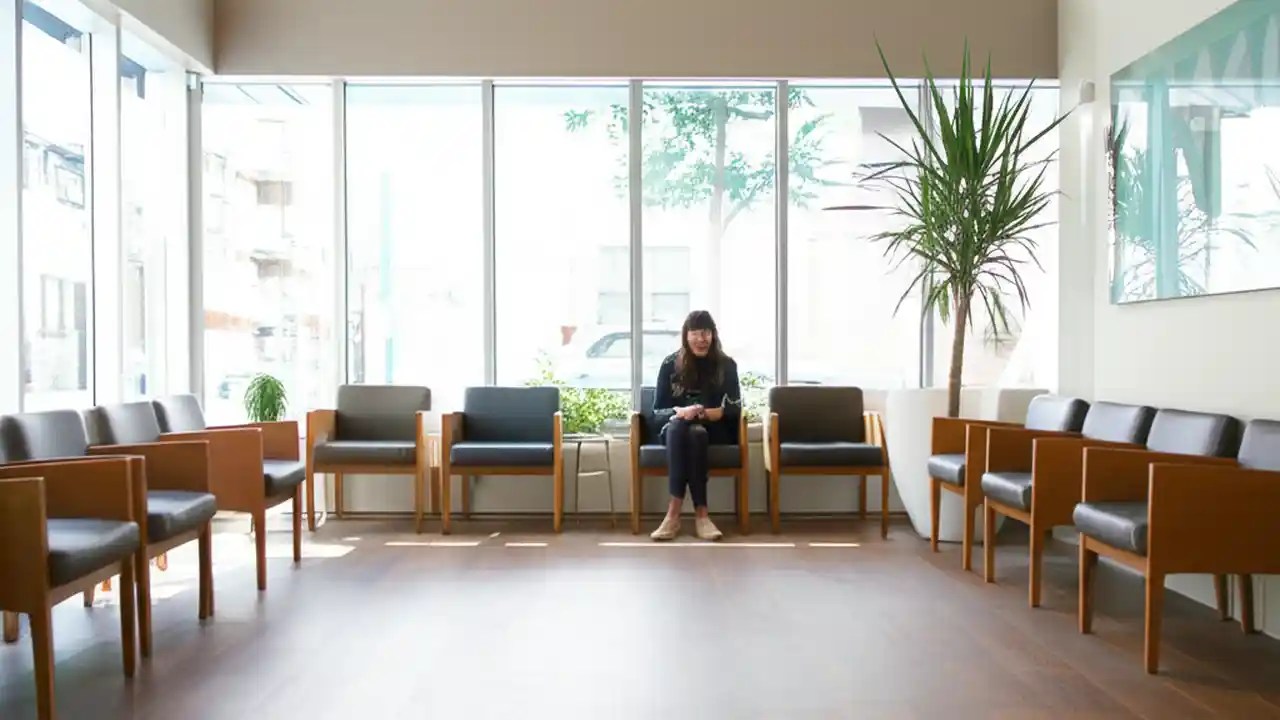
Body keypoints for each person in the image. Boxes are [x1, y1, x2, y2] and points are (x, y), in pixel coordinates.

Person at [649, 310, 741, 541]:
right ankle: (701, 516)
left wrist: (705, 413)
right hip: (674, 429)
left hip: (714, 430)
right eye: (696, 333)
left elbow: (734, 408)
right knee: (683, 429)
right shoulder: (670, 364)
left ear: (713, 335)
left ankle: (674, 514)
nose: (701, 339)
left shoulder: (726, 365)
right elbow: (658, 412)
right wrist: (681, 412)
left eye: (706, 333)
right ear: (686, 336)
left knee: (696, 433)